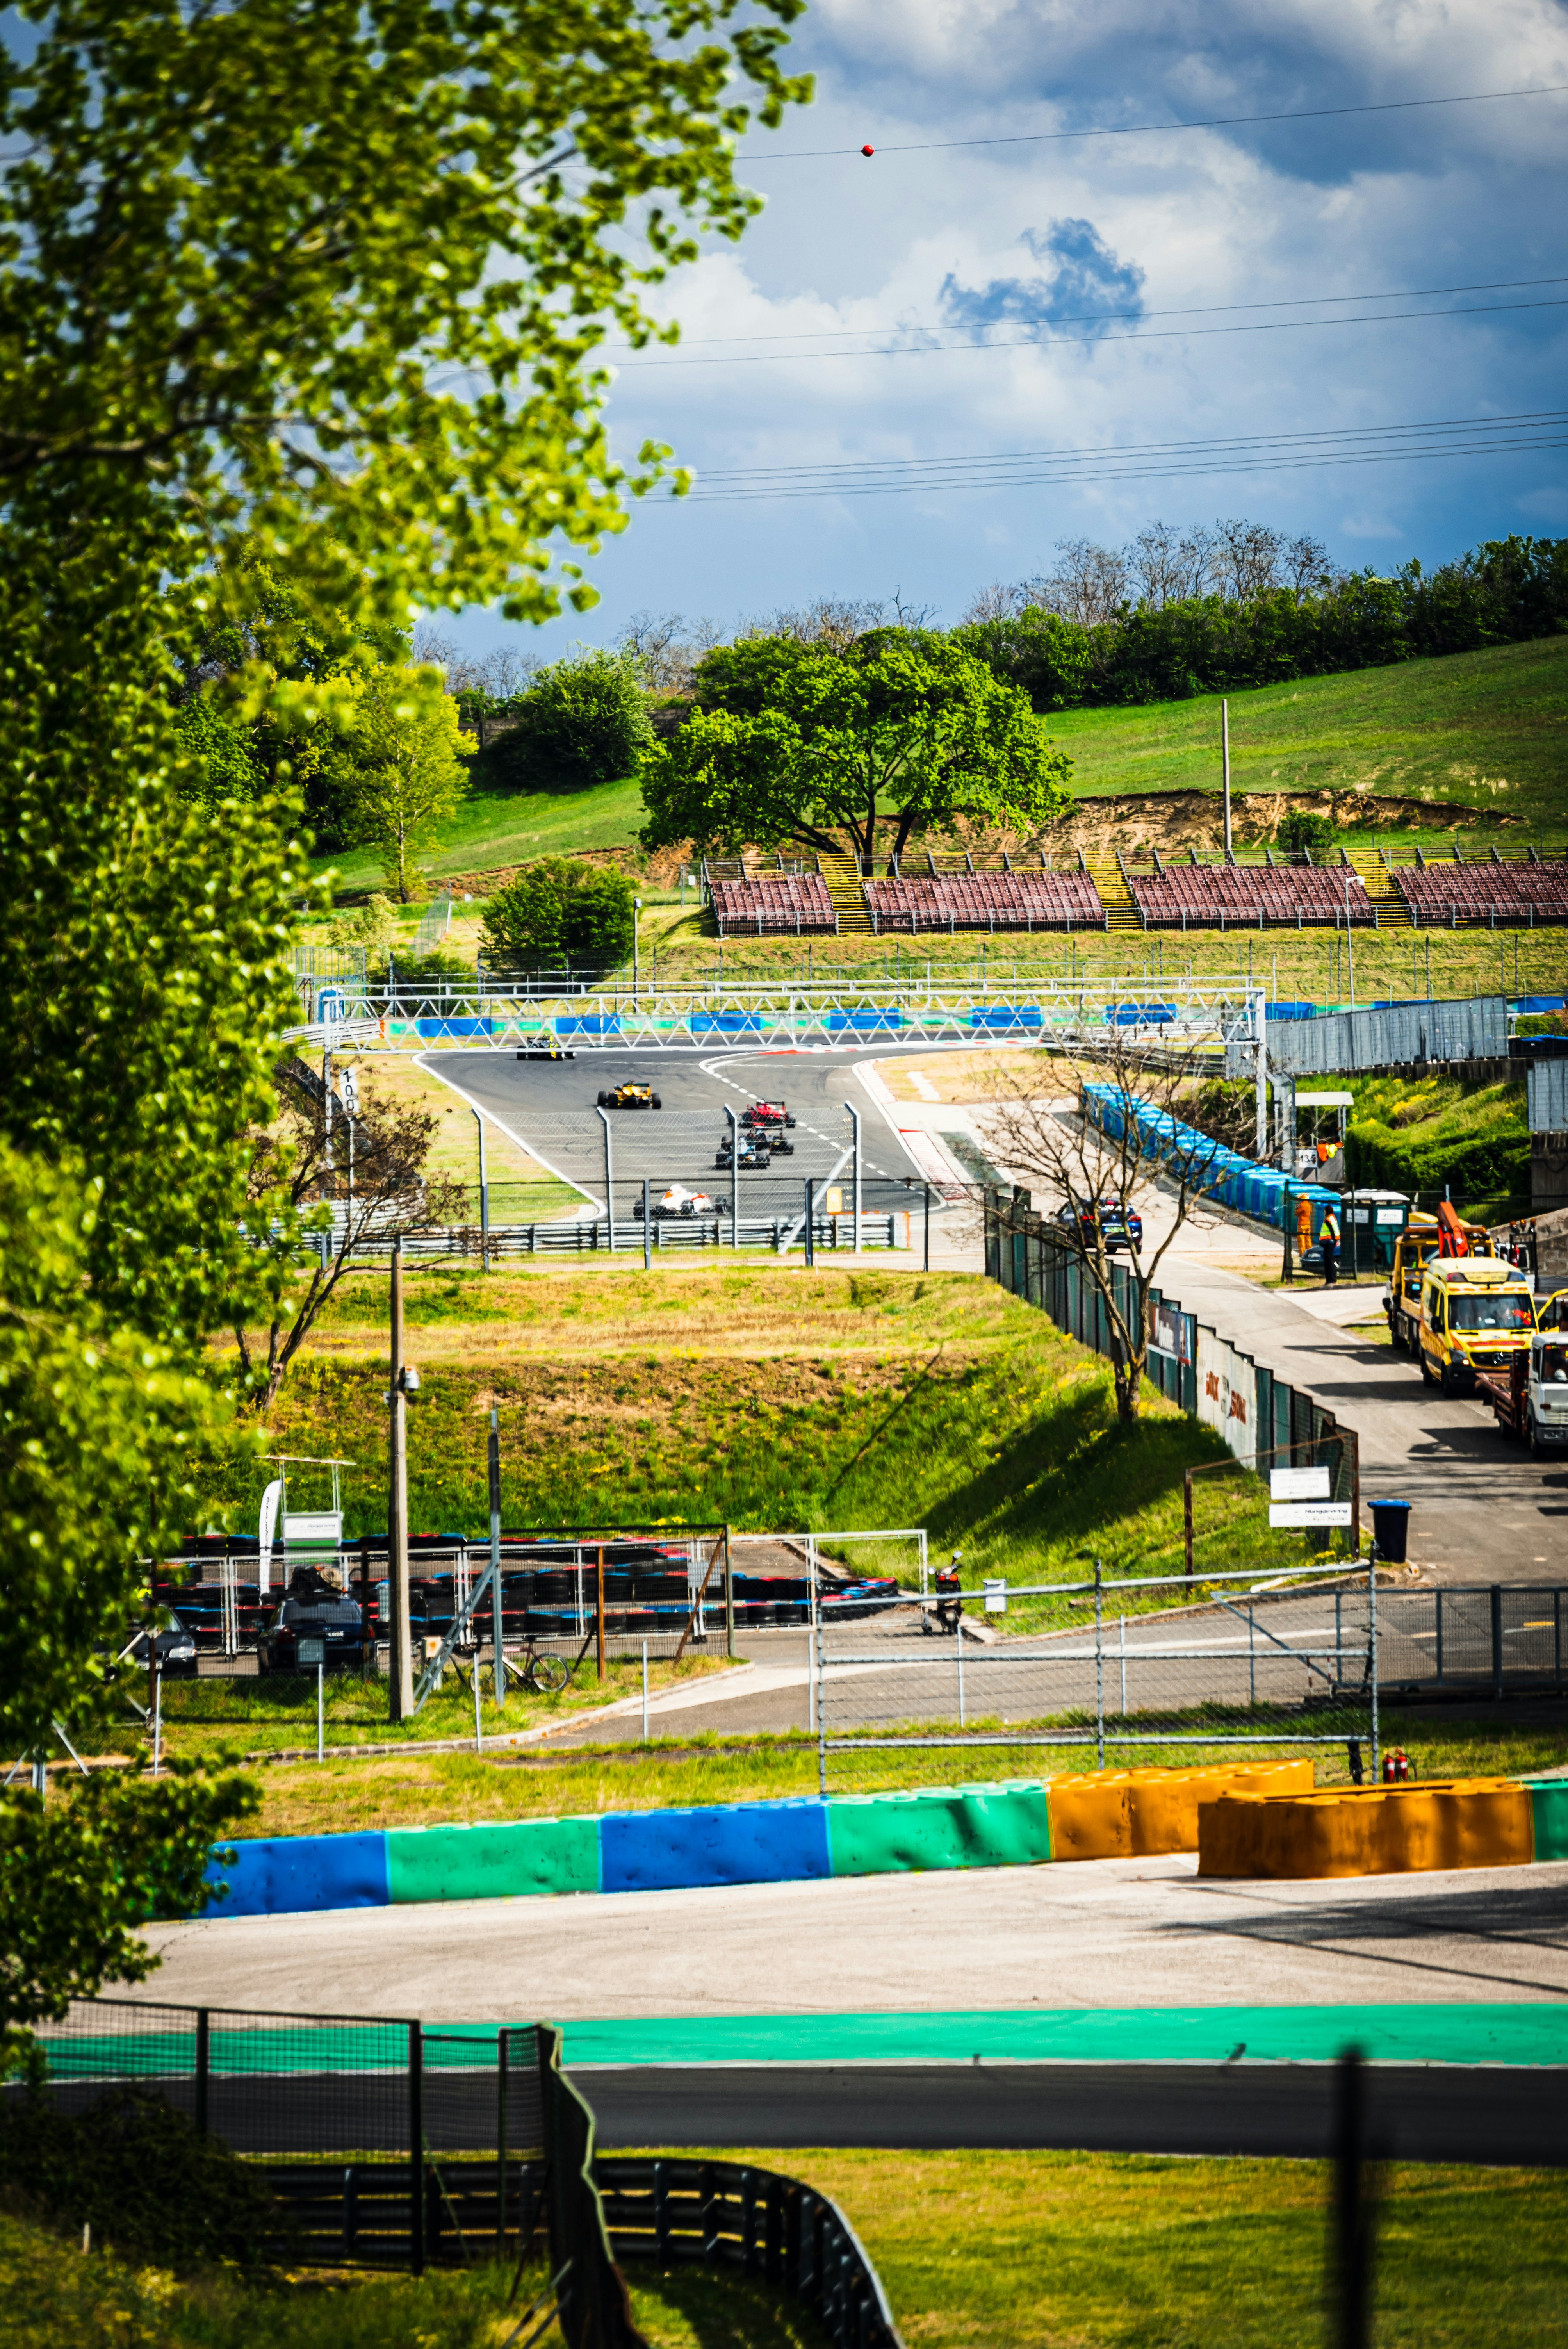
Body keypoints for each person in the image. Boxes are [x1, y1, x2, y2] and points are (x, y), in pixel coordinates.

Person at [1319, 1203, 1340, 1289]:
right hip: (1331, 1242)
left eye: (1325, 1211)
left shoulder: (1328, 1220)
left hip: (1329, 1242)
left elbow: (1332, 1231)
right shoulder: (1333, 1218)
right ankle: (1330, 1280)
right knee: (1329, 1261)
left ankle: (1331, 1280)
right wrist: (1336, 1241)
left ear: (1327, 1211)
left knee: (1329, 1262)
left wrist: (1334, 1241)